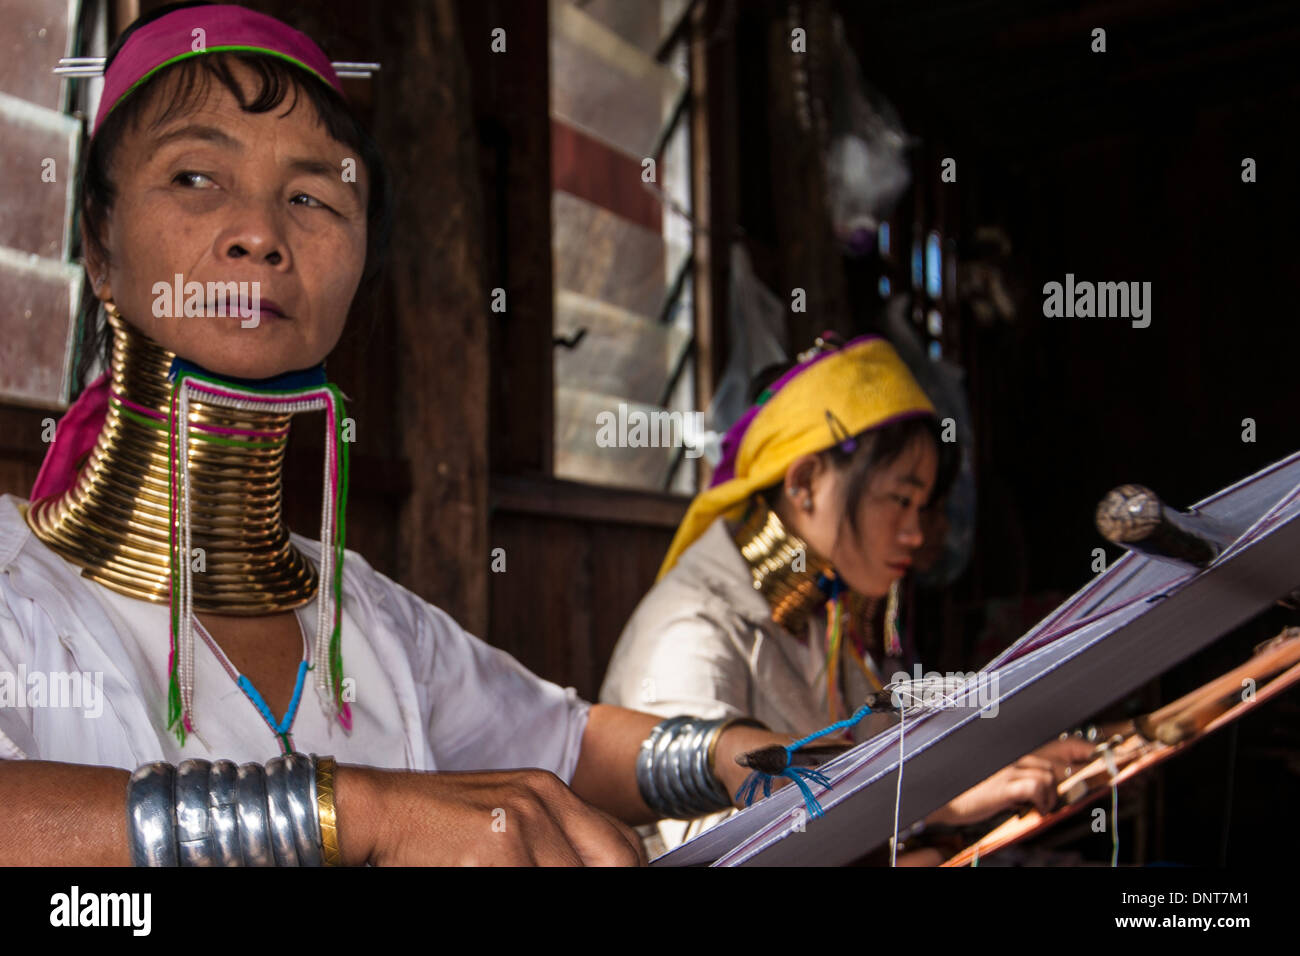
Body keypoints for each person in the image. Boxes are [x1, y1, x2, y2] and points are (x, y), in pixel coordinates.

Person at [0, 2, 784, 867]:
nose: (262, 234)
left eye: (312, 197)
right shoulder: (18, 594)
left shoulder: (363, 619)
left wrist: (743, 758)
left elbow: (570, 743)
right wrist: (361, 813)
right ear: (98, 245)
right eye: (196, 178)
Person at [600, 333, 1092, 859]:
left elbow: (880, 758)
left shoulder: (827, 619)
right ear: (805, 482)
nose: (915, 534)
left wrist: (979, 769)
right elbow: (714, 847)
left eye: (920, 505)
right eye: (899, 500)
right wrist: (933, 809)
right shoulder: (692, 631)